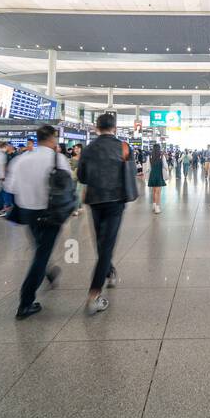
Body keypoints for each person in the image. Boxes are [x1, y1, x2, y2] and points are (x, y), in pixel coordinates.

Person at [3, 125, 73, 320]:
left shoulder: (20, 159)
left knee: (40, 248)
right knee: (42, 254)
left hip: (27, 212)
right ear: (52, 139)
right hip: (51, 212)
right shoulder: (58, 159)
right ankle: (25, 302)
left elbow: (10, 187)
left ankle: (48, 273)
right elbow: (68, 185)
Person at [76, 112, 133, 315]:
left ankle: (109, 270)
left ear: (96, 128)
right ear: (114, 128)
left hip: (95, 201)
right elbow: (130, 173)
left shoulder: (89, 149)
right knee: (106, 245)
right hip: (116, 201)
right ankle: (94, 295)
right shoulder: (124, 147)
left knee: (101, 243)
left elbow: (81, 177)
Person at [147, 142, 166, 214]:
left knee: (154, 191)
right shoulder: (162, 156)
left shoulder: (150, 157)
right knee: (158, 192)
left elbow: (148, 168)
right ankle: (157, 208)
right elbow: (165, 166)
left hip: (152, 175)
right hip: (159, 175)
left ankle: (154, 205)